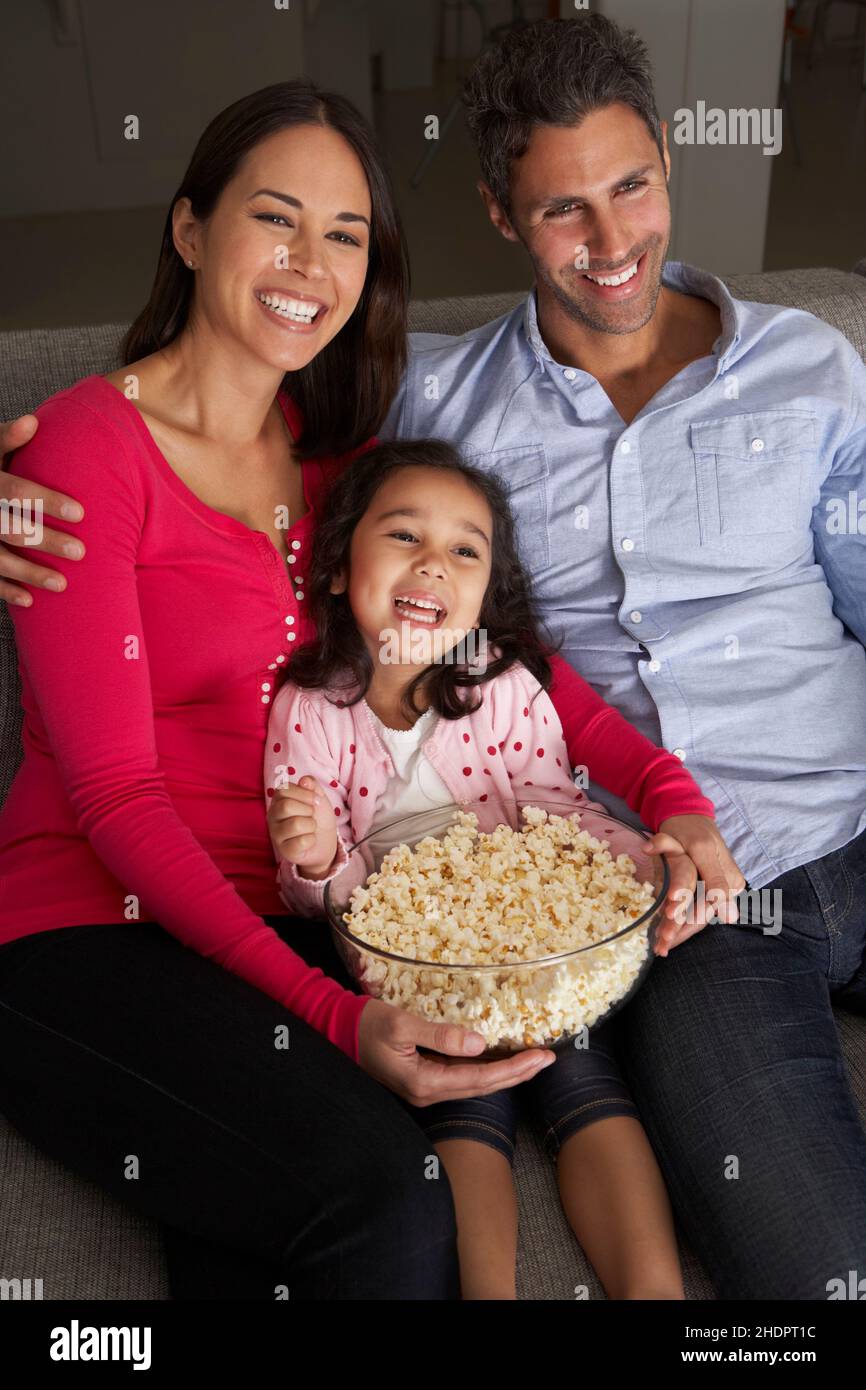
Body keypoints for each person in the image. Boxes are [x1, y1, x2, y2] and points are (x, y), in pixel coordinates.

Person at [263, 436, 739, 1299]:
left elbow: (558, 812)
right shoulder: (309, 709)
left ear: (486, 595)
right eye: (403, 537)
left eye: (464, 551)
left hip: (544, 954)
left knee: (588, 1073)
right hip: (419, 976)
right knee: (458, 1102)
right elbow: (323, 903)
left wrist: (638, 866)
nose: (433, 565)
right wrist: (316, 854)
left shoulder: (502, 685)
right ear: (338, 568)